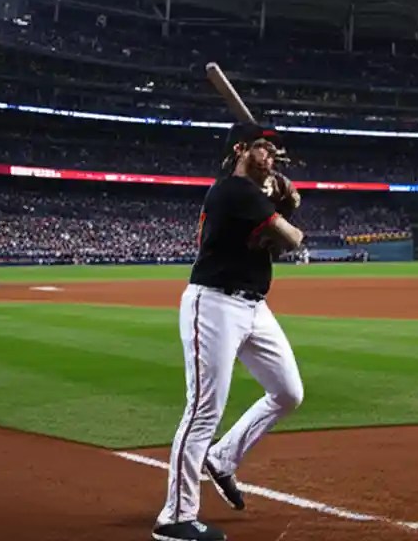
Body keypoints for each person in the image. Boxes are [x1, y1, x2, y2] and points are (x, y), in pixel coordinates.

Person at [152, 122, 307, 541]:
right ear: (240, 150)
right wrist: (288, 202)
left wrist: (284, 200)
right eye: (262, 149)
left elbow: (270, 241)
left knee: (288, 392)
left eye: (273, 152)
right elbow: (291, 239)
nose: (270, 157)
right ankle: (175, 517)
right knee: (203, 409)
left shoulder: (252, 198)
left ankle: (222, 458)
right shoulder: (234, 191)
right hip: (215, 304)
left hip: (253, 307)